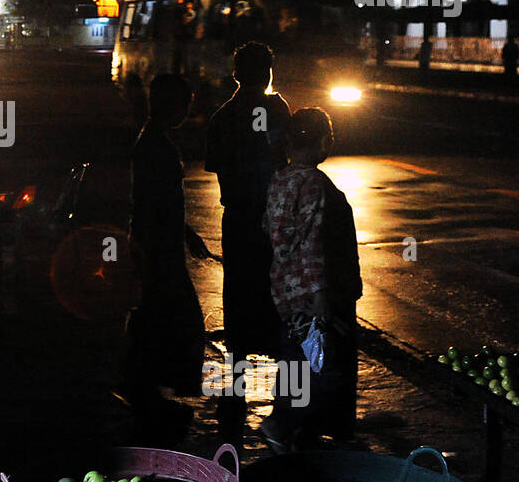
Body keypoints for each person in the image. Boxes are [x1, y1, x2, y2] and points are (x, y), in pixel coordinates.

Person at [260, 108, 362, 452]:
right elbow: (314, 242)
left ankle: (298, 432)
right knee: (325, 368)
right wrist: (320, 296)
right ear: (322, 141)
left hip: (286, 291)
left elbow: (275, 234)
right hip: (314, 294)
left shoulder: (280, 180)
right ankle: (283, 424)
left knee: (295, 361)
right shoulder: (315, 184)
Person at [204, 41, 290, 442]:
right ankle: (285, 405)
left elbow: (215, 163)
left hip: (236, 220)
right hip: (270, 220)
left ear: (236, 74)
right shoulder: (276, 109)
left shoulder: (222, 116)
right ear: (268, 71)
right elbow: (280, 158)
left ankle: (232, 400)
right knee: (278, 308)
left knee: (238, 305)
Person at [124, 74, 213, 438]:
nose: (188, 110)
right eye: (184, 102)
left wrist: (187, 234)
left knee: (157, 322)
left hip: (161, 246)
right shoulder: (154, 145)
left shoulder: (155, 141)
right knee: (172, 322)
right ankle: (146, 395)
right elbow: (152, 205)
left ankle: (147, 393)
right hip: (157, 250)